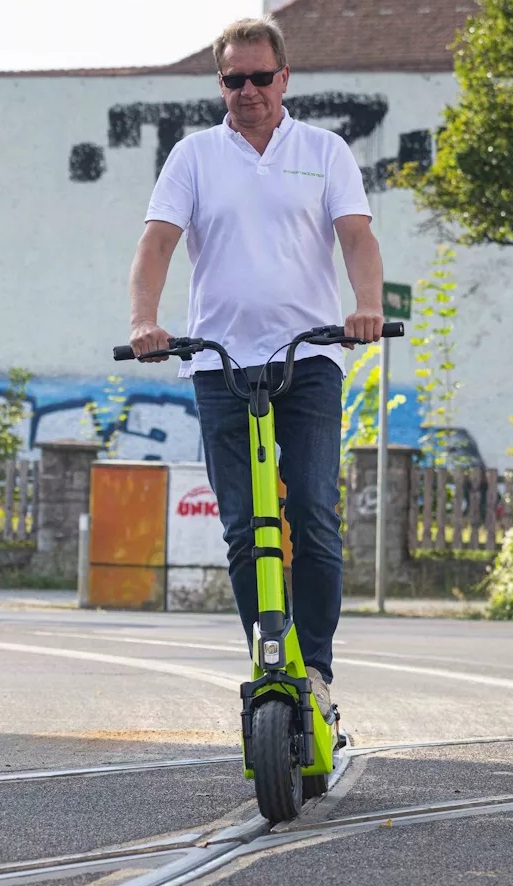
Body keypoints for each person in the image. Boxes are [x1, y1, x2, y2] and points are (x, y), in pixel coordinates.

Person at [128, 15, 384, 721]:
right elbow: (156, 246)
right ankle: (270, 655)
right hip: (220, 368)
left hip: (308, 360)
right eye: (234, 79)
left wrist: (366, 306)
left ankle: (319, 672)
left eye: (259, 77)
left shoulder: (325, 150)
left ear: (284, 78)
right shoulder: (194, 157)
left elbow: (357, 239)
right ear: (221, 84)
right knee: (245, 526)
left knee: (310, 509)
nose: (248, 90)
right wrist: (144, 323)